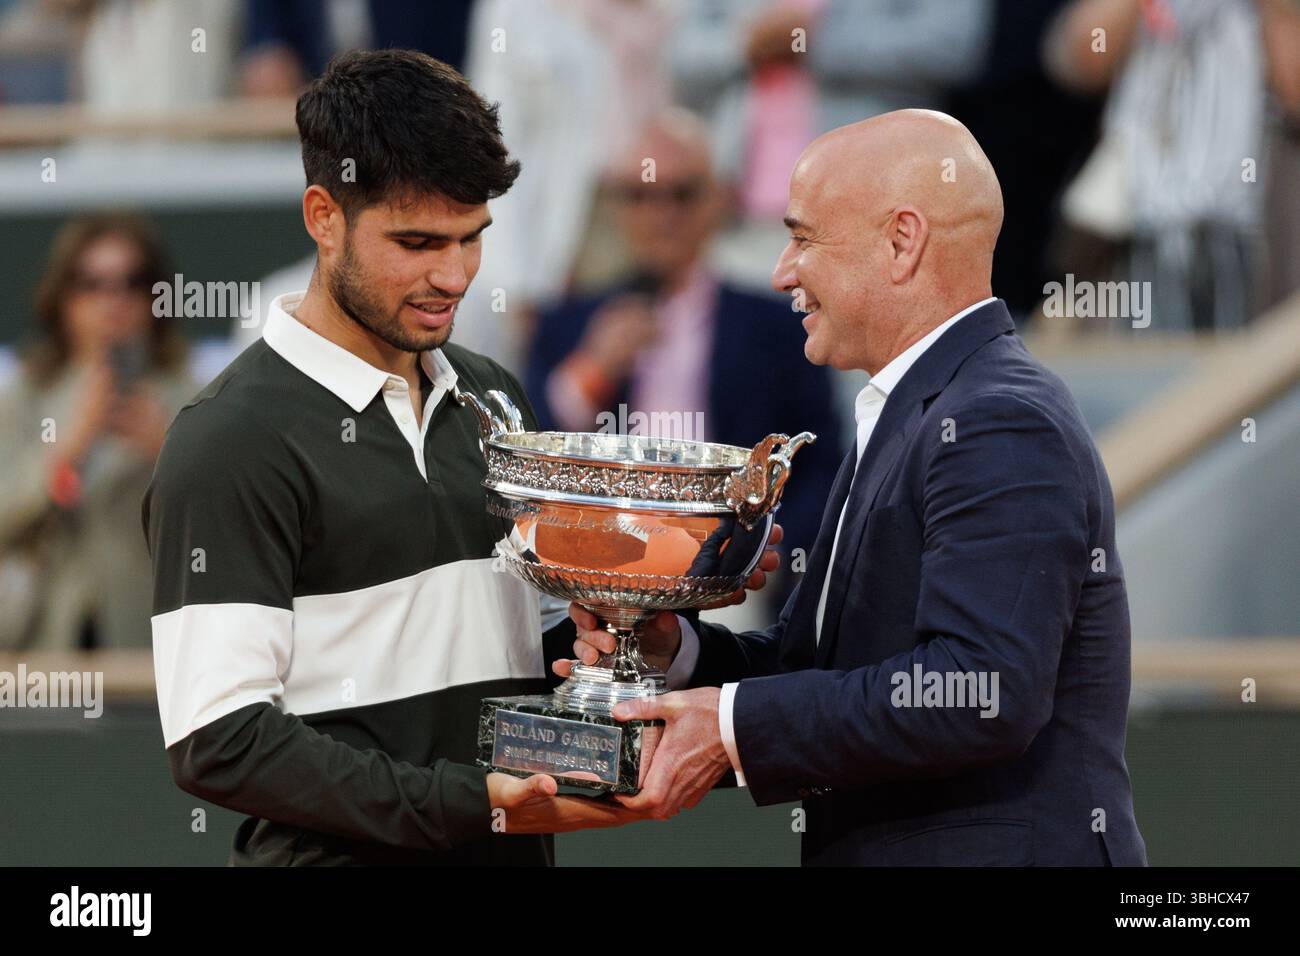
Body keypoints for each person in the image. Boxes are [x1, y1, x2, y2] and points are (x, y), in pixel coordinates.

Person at [142, 49, 779, 866]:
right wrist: (468, 803)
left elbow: (551, 650)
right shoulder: (226, 440)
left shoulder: (497, 401)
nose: (453, 275)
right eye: (415, 241)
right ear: (322, 216)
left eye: (471, 239)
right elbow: (218, 739)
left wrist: (650, 611)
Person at [564, 110, 1148, 866]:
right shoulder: (917, 409)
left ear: (901, 242)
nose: (782, 272)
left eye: (803, 237)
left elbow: (980, 691)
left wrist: (731, 726)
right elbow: (825, 674)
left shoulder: (998, 418)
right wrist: (674, 653)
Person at [525, 110, 843, 602]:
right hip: (600, 568)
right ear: (617, 206)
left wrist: (764, 553)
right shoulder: (567, 323)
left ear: (717, 199)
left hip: (733, 576)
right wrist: (591, 374)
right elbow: (528, 461)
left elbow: (824, 463)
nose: (660, 215)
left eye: (681, 194)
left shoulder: (778, 325)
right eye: (641, 195)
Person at [0, 212, 194, 650]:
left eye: (132, 282)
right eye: (91, 283)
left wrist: (169, 452)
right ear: (62, 297)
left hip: (152, 648)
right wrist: (67, 448)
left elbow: (229, 530)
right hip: (43, 644)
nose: (113, 301)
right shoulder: (27, 397)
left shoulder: (194, 399)